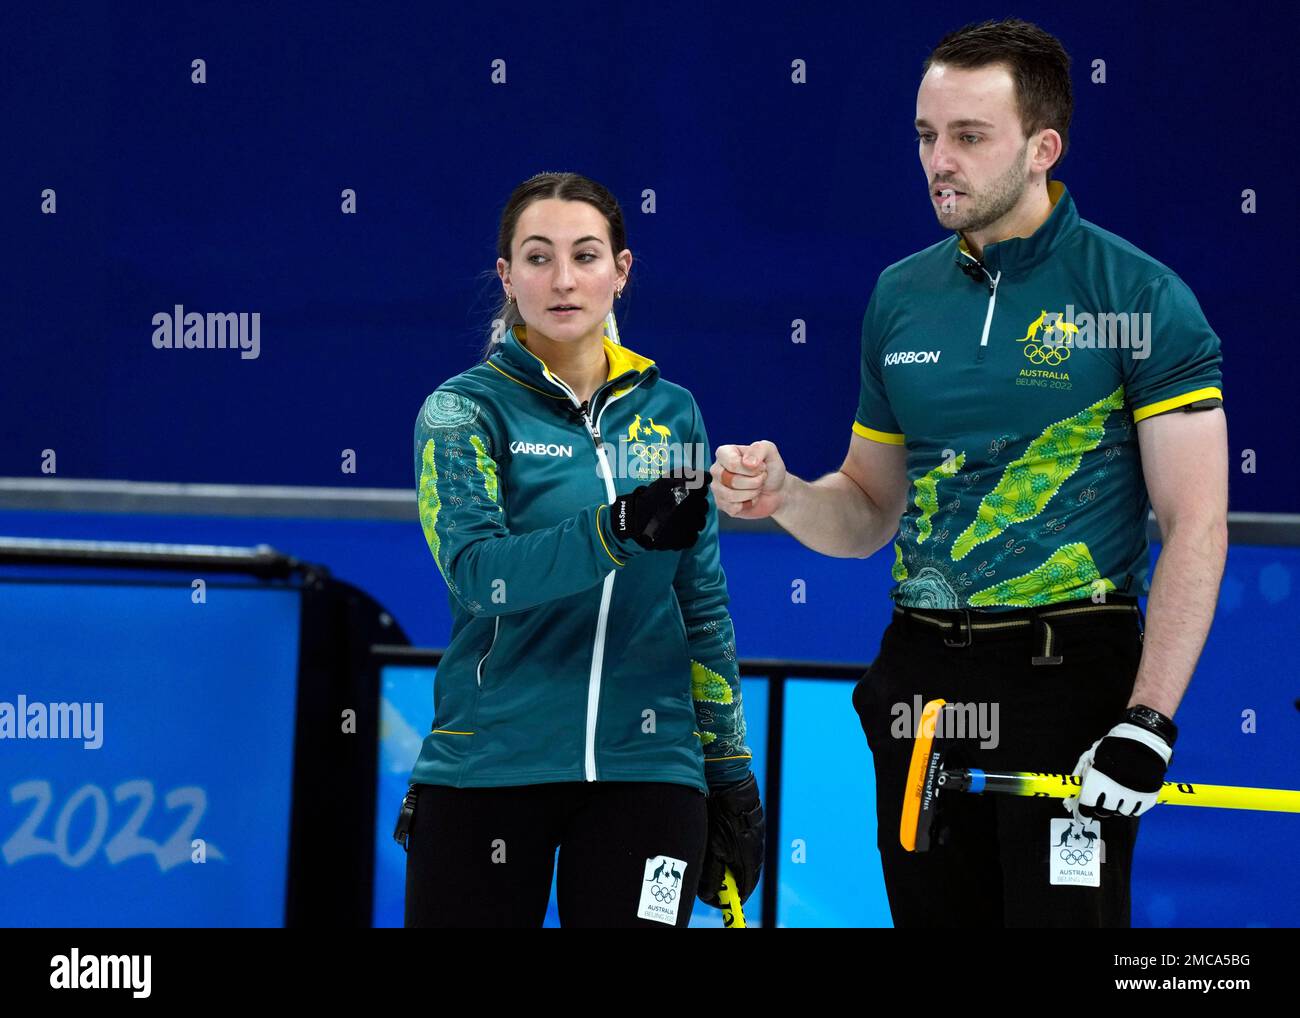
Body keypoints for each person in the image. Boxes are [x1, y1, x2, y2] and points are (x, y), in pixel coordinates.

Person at [709, 18, 1226, 927]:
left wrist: (1148, 722)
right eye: (925, 136)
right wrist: (786, 496)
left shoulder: (1139, 298)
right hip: (920, 684)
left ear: (1042, 148)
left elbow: (1196, 527)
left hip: (1071, 682)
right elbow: (869, 509)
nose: (938, 161)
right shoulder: (900, 296)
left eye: (968, 136)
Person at [399, 172, 764, 928]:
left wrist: (728, 770)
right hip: (490, 766)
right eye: (537, 257)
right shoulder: (462, 410)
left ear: (621, 271)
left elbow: (700, 605)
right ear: (507, 275)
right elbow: (477, 576)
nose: (563, 279)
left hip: (650, 769)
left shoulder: (673, 412)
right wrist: (618, 527)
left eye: (587, 255)